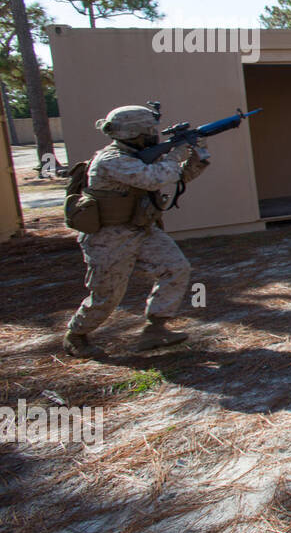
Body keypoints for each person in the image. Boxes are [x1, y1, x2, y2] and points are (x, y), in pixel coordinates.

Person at [63, 104, 210, 357]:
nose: (155, 135)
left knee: (175, 268)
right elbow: (154, 178)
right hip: (108, 238)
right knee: (107, 295)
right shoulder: (111, 160)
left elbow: (177, 177)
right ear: (136, 133)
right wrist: (176, 153)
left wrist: (197, 157)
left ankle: (156, 329)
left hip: (142, 229)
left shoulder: (140, 156)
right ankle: (76, 336)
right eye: (150, 131)